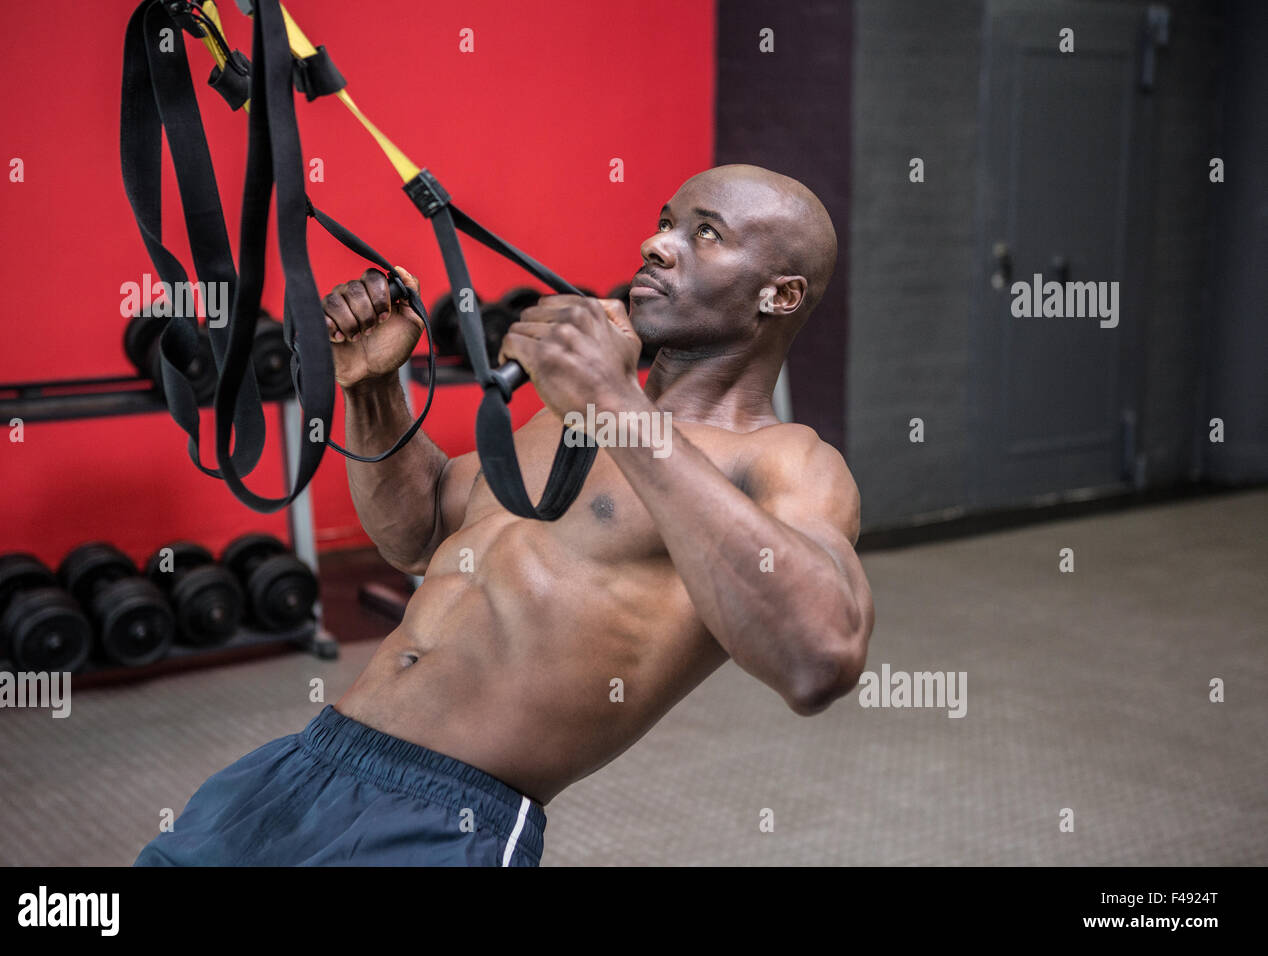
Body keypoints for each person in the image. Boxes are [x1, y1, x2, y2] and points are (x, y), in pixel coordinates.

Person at [135, 164, 874, 867]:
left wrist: (616, 408)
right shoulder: (561, 423)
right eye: (664, 221)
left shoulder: (784, 460)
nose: (656, 244)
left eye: (704, 234)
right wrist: (372, 390)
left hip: (444, 813)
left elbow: (819, 657)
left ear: (779, 296)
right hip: (310, 759)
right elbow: (420, 533)